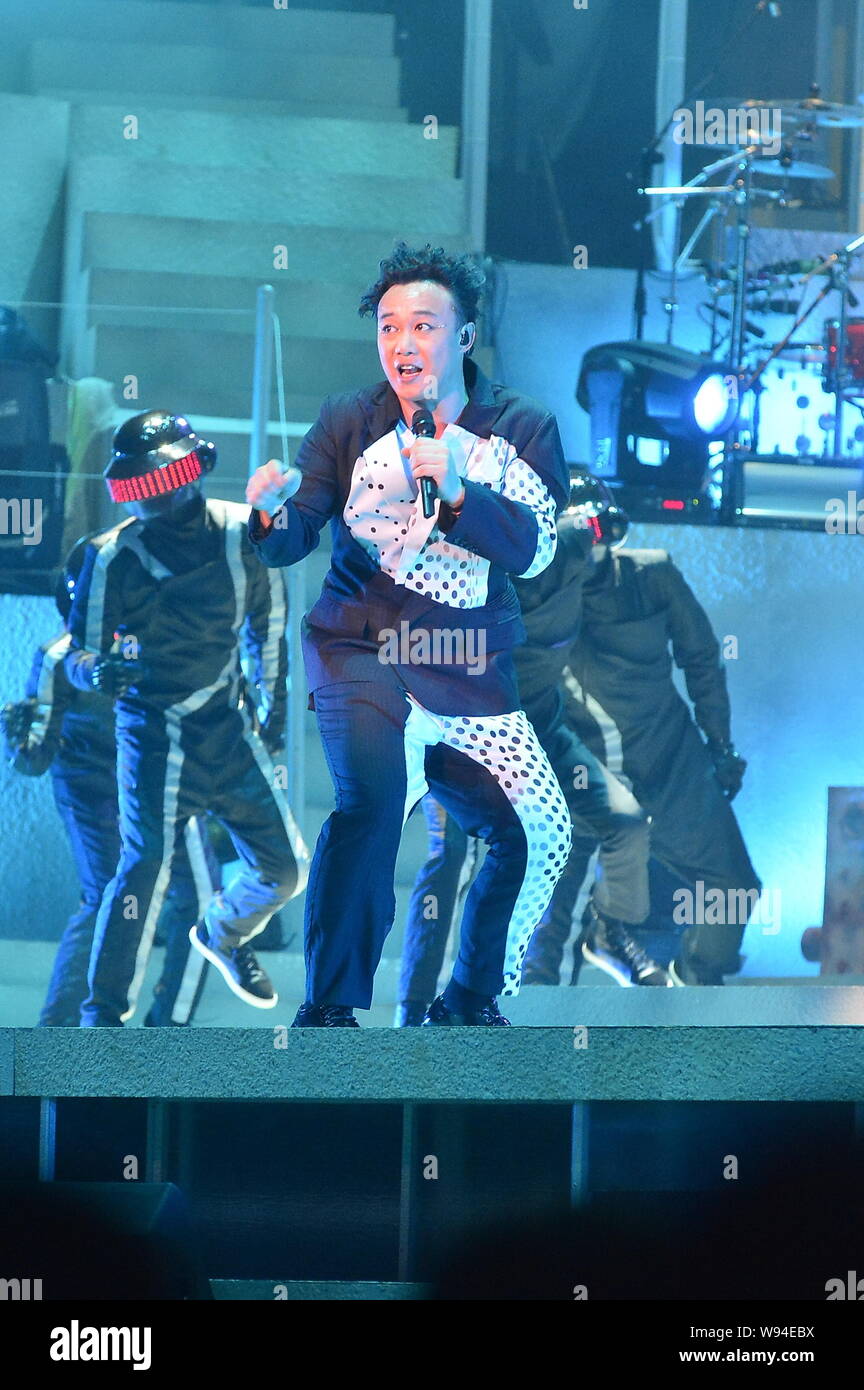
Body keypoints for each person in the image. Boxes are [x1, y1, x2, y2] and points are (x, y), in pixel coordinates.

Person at [246, 242, 572, 1027]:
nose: (403, 343)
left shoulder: (522, 426)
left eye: (422, 325)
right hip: (361, 647)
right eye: (388, 326)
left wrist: (460, 492)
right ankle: (330, 1007)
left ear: (463, 337)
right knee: (372, 801)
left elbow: (534, 551)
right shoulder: (348, 419)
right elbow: (296, 536)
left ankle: (469, 997)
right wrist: (269, 512)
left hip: (465, 664)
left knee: (529, 830)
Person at [64, 411, 309, 1026]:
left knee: (286, 869)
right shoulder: (110, 557)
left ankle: (223, 933)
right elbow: (79, 653)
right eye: (137, 486)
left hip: (226, 726)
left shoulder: (240, 536)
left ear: (192, 471)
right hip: (150, 730)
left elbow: (270, 637)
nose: (153, 495)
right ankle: (103, 1017)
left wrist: (272, 729)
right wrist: (95, 672)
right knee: (143, 870)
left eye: (163, 478)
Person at [395, 472, 666, 1022]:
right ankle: (416, 1003)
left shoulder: (581, 576)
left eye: (602, 534)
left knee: (626, 822)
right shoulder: (492, 565)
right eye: (589, 530)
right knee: (448, 859)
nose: (596, 545)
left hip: (544, 732)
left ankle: (608, 931)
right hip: (467, 735)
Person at [527, 487, 760, 986]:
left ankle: (695, 992)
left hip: (670, 762)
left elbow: (702, 659)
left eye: (595, 530)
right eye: (573, 533)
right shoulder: (535, 597)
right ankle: (534, 1042)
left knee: (733, 888)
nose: (586, 544)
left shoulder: (652, 574)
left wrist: (720, 745)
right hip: (579, 774)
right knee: (543, 930)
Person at [1, 537, 215, 1026]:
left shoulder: (171, 644)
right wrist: (19, 740)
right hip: (90, 782)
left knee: (197, 899)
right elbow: (33, 761)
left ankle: (167, 1031)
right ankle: (60, 1035)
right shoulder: (58, 658)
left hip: (163, 777)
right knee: (104, 893)